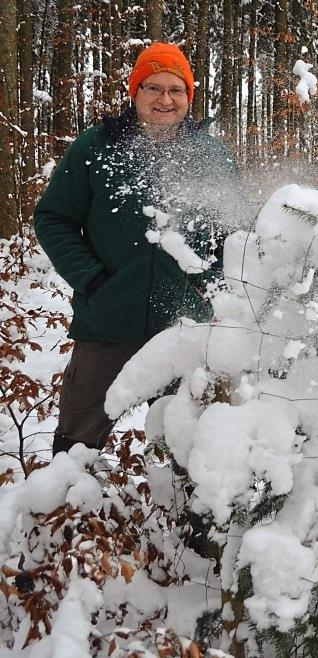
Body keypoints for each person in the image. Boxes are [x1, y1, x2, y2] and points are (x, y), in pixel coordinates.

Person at [35, 42, 237, 455]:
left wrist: (210, 291)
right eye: (153, 88)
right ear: (135, 92)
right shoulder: (96, 147)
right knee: (76, 443)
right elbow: (53, 218)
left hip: (186, 327)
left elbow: (233, 237)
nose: (165, 99)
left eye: (176, 90)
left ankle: (178, 516)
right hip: (108, 322)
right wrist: (92, 280)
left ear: (189, 96)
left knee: (192, 445)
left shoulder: (212, 157)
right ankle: (69, 511)